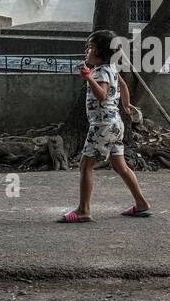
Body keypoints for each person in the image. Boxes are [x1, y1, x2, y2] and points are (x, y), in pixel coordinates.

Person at [58, 29, 152, 223]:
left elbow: (101, 95)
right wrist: (125, 105)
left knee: (85, 166)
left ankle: (83, 210)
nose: (86, 52)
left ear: (101, 52)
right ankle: (141, 204)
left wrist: (88, 78)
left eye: (90, 48)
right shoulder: (111, 70)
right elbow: (123, 86)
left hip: (102, 125)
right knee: (121, 167)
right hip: (115, 124)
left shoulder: (100, 72)